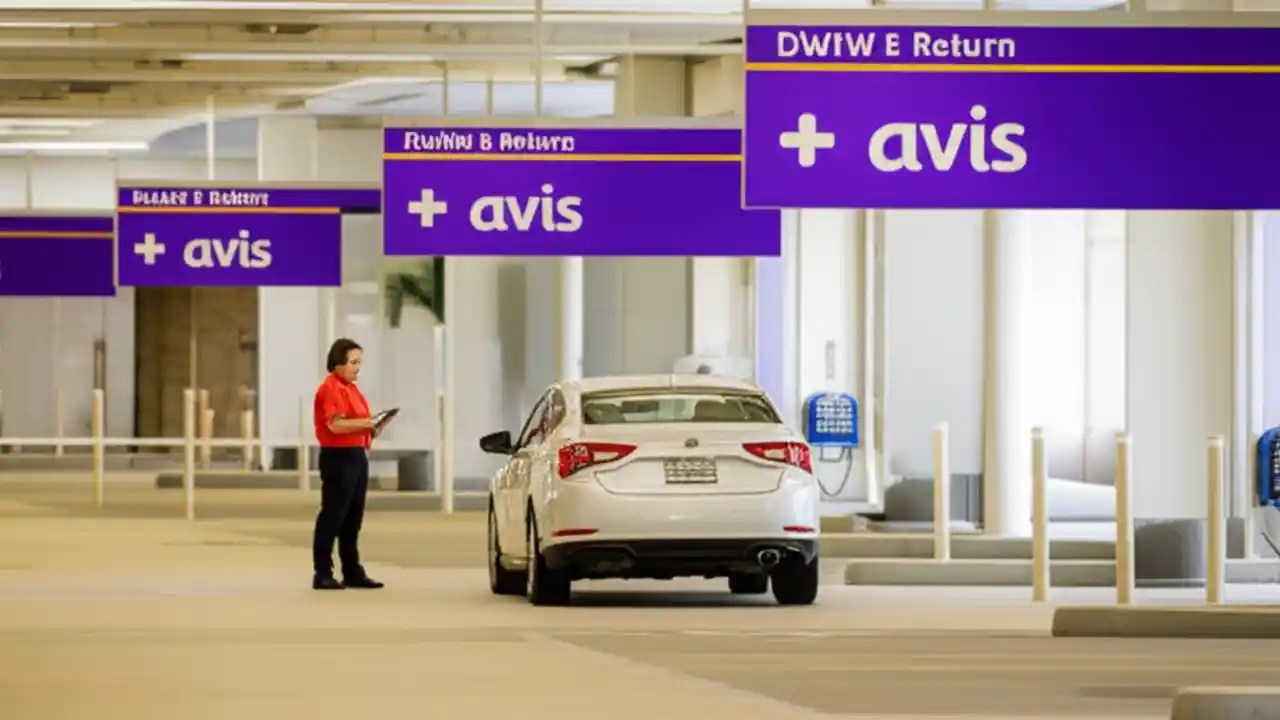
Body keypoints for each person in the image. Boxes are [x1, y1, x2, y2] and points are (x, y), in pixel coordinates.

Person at [311, 337, 393, 590]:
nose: (358, 368)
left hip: (357, 454)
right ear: (338, 363)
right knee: (333, 515)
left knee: (353, 517)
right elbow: (334, 424)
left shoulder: (352, 389)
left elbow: (359, 423)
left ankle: (352, 569)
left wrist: (374, 426)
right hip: (338, 457)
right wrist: (367, 424)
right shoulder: (331, 388)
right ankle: (323, 572)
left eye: (360, 363)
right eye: (353, 362)